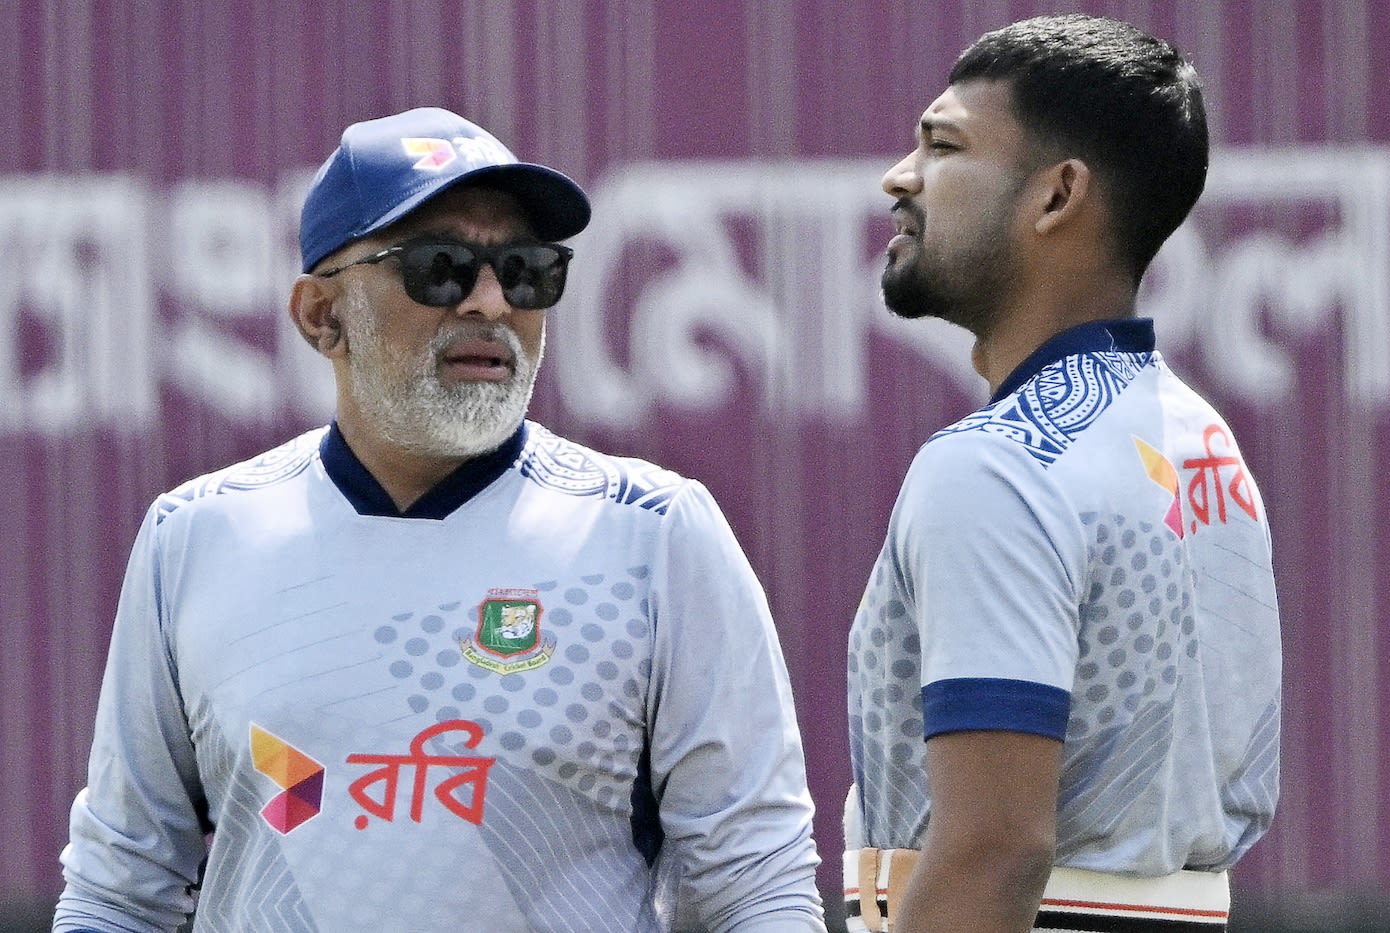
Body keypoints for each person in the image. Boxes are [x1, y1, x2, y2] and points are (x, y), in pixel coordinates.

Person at [53, 107, 824, 933]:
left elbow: (755, 883)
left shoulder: (656, 532)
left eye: (525, 269)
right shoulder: (194, 537)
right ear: (321, 316)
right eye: (441, 267)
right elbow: (119, 888)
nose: (491, 301)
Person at [844, 15, 1281, 933]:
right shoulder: (1201, 439)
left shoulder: (995, 467)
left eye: (942, 144)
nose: (899, 177)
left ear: (1056, 196)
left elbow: (994, 851)